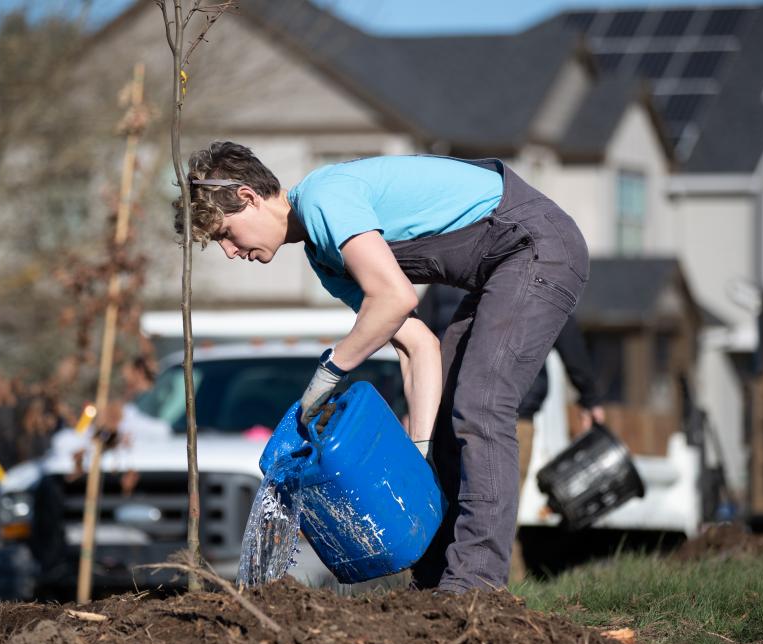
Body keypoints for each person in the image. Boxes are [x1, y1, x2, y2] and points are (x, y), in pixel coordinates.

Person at [174, 142, 589, 593]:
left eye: (225, 235)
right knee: (456, 414)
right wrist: (421, 450)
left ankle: (477, 583)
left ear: (248, 197)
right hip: (499, 269)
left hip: (534, 244)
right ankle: (433, 581)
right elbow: (417, 345)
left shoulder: (322, 198)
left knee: (482, 404)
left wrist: (331, 370)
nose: (231, 252)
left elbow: (395, 298)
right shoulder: (325, 259)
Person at [417, 285, 605, 491]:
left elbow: (419, 345)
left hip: (449, 411)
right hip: (512, 413)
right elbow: (567, 336)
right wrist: (590, 397)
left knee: (445, 500)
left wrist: (414, 404)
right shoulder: (532, 272)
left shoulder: (449, 273)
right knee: (499, 506)